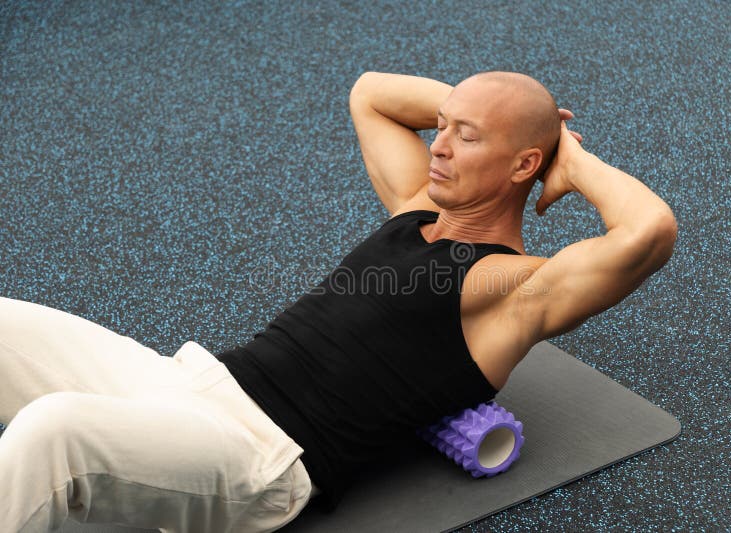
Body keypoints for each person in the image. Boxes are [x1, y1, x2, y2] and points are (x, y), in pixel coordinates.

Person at [0, 71, 677, 532]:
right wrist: (487, 118)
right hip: (192, 380)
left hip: (257, 456)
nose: (438, 147)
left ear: (524, 165)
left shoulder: (511, 288)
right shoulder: (416, 207)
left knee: (53, 429)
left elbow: (649, 231)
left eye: (464, 138)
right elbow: (372, 93)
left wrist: (569, 154)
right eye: (440, 128)